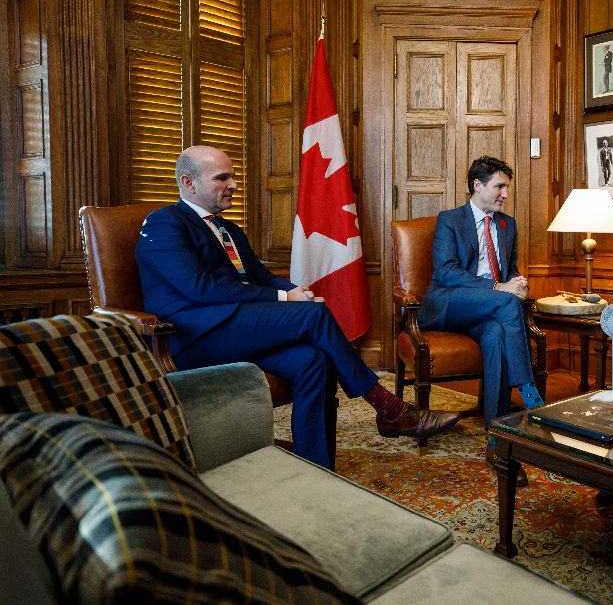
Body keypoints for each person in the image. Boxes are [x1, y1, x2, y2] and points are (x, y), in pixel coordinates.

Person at [136, 145, 460, 470]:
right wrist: (284, 300)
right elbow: (199, 288)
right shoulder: (164, 222)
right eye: (223, 178)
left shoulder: (228, 229)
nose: (234, 184)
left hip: (238, 330)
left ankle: (316, 469)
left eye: (233, 176)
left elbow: (260, 277)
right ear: (188, 182)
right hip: (192, 337)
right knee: (314, 315)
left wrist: (294, 290)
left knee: (312, 360)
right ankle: (388, 409)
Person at [419, 156, 543, 485]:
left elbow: (511, 269)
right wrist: (499, 288)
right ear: (478, 185)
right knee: (505, 304)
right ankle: (529, 391)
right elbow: (446, 272)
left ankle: (497, 440)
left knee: (496, 336)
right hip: (448, 303)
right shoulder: (450, 220)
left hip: (489, 310)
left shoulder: (507, 225)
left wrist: (518, 282)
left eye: (507, 187)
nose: (505, 193)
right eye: (499, 186)